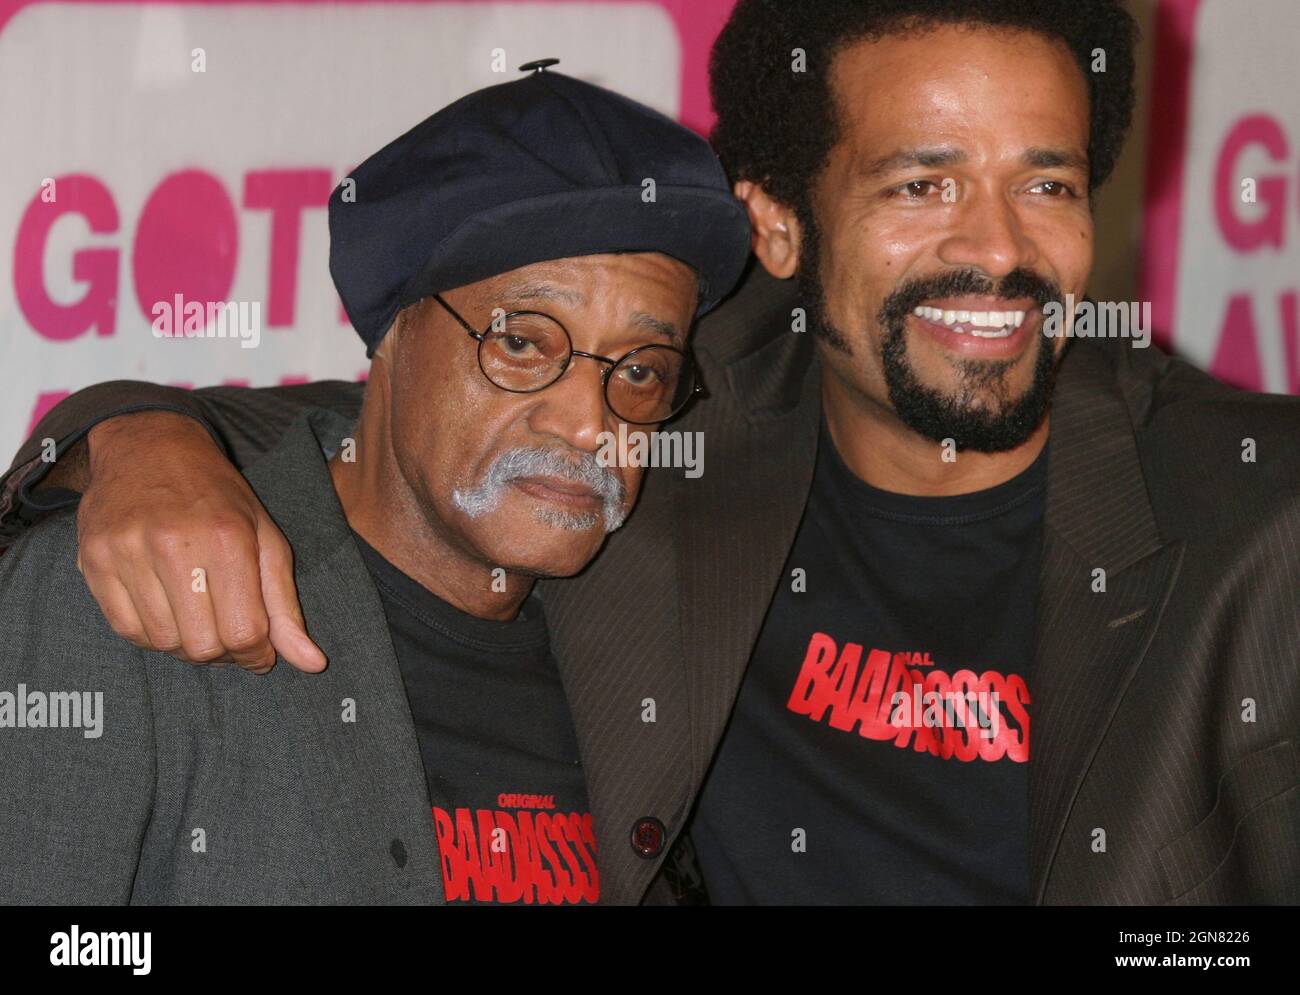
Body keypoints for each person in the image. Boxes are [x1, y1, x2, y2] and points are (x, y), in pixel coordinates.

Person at [5, 1, 1298, 904]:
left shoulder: (1257, 521)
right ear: (781, 230)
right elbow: (400, 417)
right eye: (921, 183)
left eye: (1047, 182)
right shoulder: (681, 431)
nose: (999, 247)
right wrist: (136, 433)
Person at [0, 64, 752, 904]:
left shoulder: (662, 649)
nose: (587, 423)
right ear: (393, 328)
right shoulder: (135, 591)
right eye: (521, 343)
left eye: (642, 369)